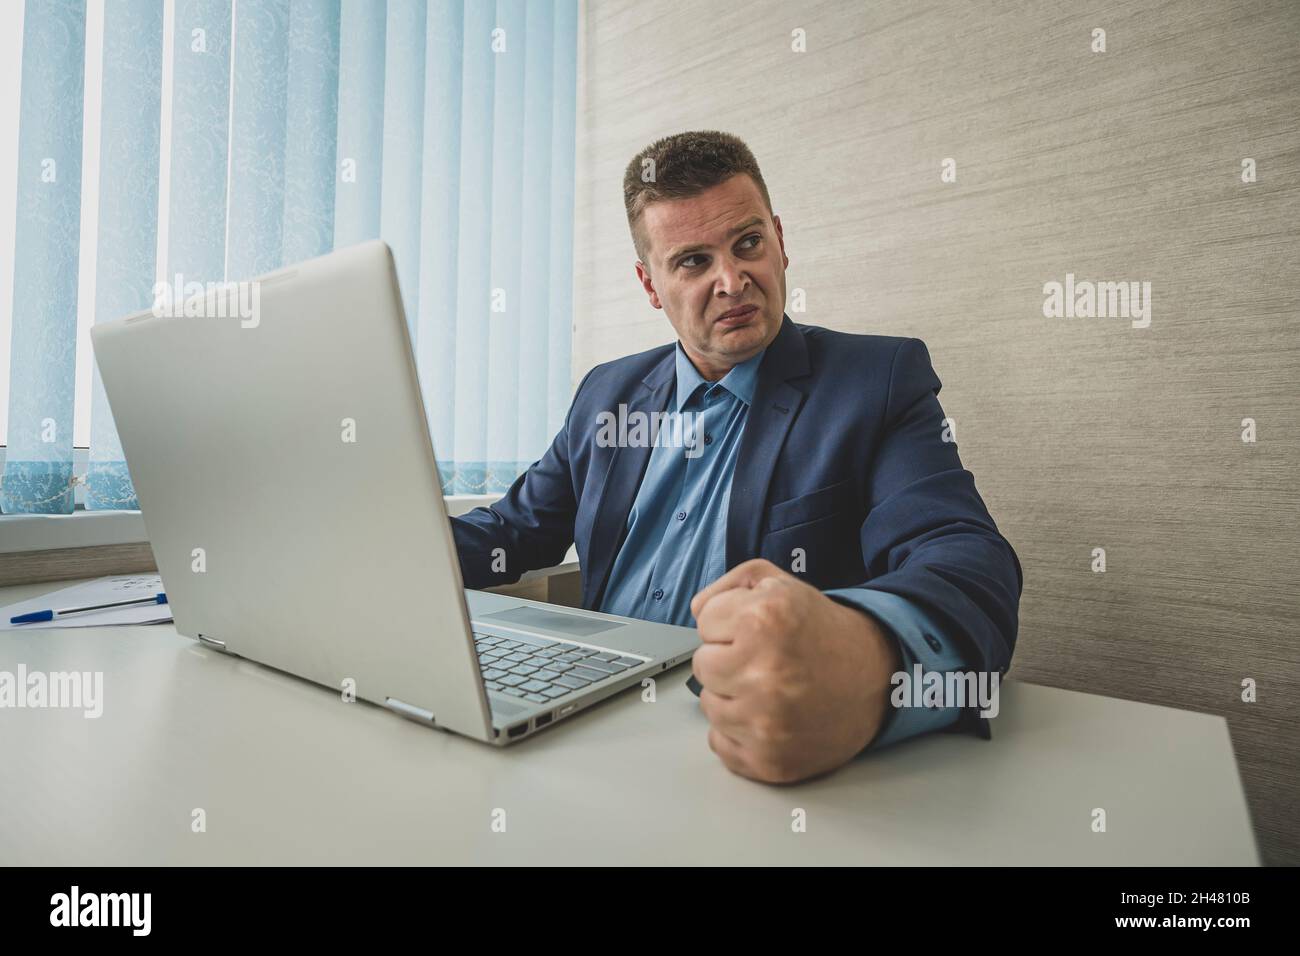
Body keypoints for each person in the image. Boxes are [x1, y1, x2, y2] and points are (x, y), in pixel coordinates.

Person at [453, 130, 1022, 784]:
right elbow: (516, 530)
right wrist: (383, 551)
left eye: (748, 243)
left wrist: (870, 663)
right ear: (650, 283)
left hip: (744, 736)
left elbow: (966, 560)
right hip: (591, 721)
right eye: (693, 261)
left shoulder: (876, 381)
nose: (733, 281)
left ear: (780, 240)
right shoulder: (608, 393)